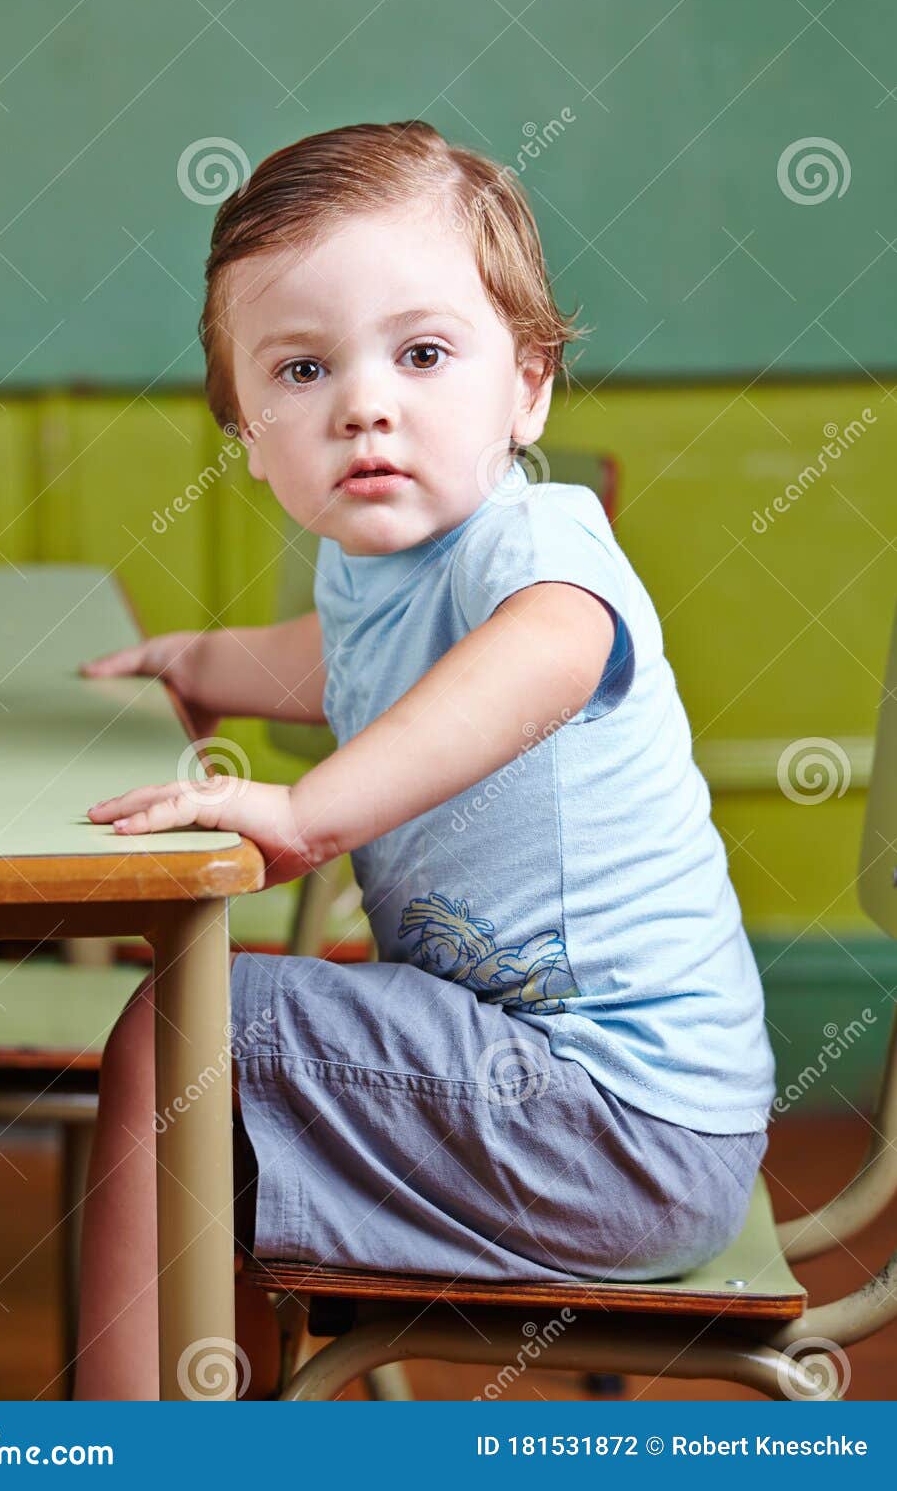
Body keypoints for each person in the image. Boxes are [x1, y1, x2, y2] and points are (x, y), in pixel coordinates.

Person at [71, 120, 775, 1400]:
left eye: (424, 352)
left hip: (615, 1119)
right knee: (215, 1071)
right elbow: (337, 661)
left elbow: (552, 647)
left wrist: (308, 809)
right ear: (242, 427)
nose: (363, 403)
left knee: (183, 1030)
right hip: (550, 1100)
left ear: (529, 385)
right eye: (299, 369)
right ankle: (202, 1403)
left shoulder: (532, 541)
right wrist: (192, 658)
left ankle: (124, 1441)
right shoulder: (375, 568)